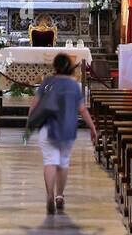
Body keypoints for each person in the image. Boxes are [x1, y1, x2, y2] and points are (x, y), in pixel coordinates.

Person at [27, 53, 97, 214]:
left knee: (50, 160)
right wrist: (92, 128)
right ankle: (59, 196)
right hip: (67, 128)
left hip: (48, 127)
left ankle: (49, 195)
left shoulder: (47, 83)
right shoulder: (74, 85)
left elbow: (34, 105)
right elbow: (82, 109)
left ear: (55, 66)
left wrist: (30, 122)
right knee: (63, 162)